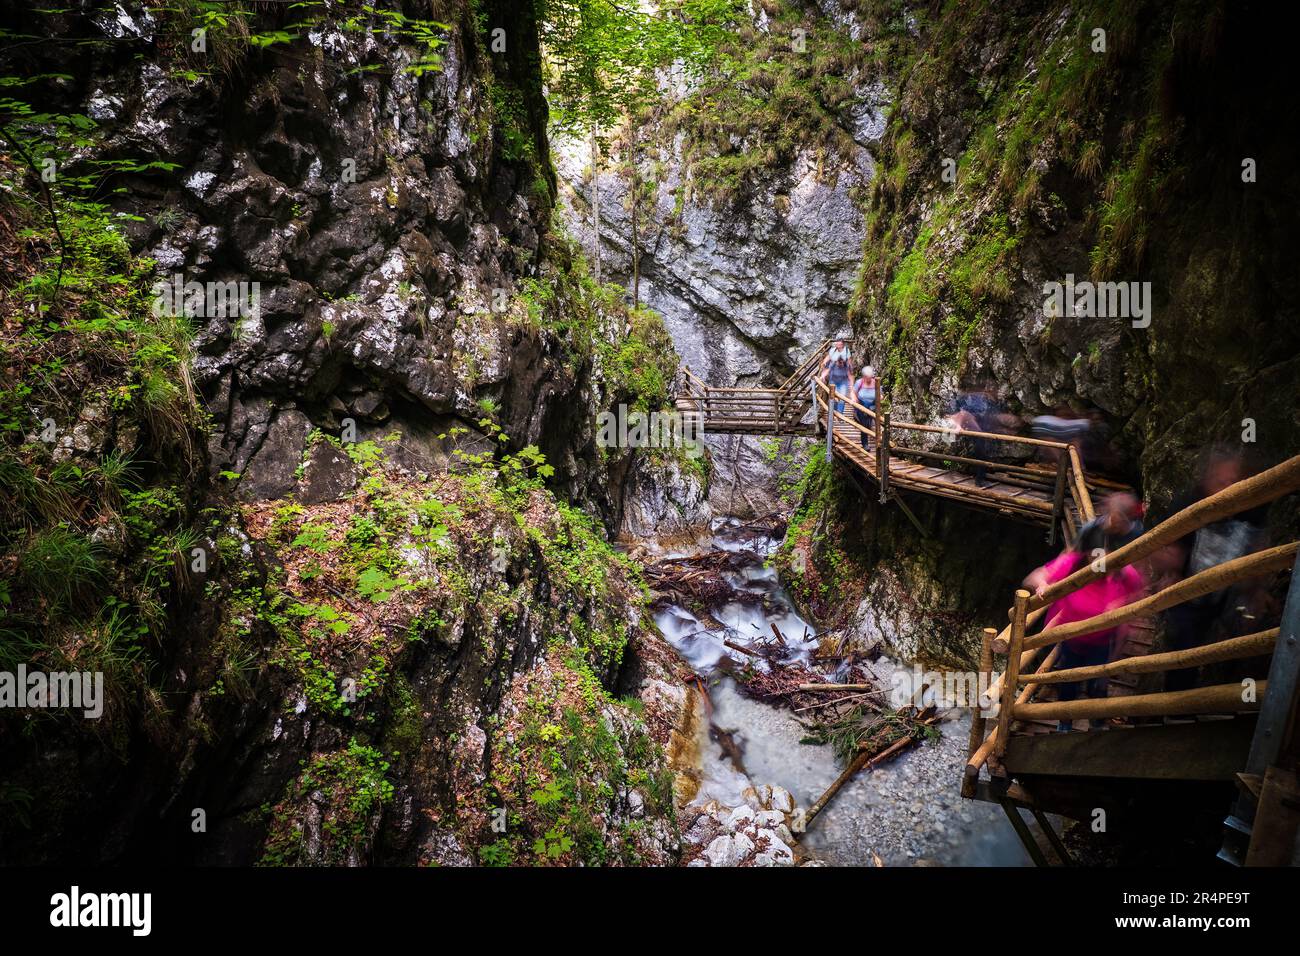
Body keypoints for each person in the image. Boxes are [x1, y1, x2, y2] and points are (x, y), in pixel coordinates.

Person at [1161, 448, 1269, 693]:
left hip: (1230, 592)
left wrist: (1256, 589)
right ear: (1208, 478)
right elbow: (1168, 546)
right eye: (1222, 481)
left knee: (1237, 645)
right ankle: (1173, 707)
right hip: (1189, 593)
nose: (1228, 487)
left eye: (1234, 481)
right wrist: (1170, 571)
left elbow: (1260, 543)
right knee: (1184, 648)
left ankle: (1222, 701)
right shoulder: (1188, 503)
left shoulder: (1252, 506)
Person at [1024, 537, 1146, 732]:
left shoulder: (1124, 572)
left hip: (1103, 640)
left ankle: (1096, 722)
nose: (1097, 559)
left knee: (1098, 683)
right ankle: (1064, 724)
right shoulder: (1072, 562)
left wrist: (1123, 603)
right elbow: (1035, 576)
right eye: (1093, 553)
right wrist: (1043, 584)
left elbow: (1139, 594)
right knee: (1068, 682)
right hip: (1072, 639)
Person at [1073, 491, 1145, 557]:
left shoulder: (1137, 535)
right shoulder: (1090, 530)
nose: (1120, 523)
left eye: (1125, 520)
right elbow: (1073, 556)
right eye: (1118, 517)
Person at [822, 340, 852, 414]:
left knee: (842, 398)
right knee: (834, 397)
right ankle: (834, 411)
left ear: (843, 345)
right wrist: (823, 375)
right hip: (833, 380)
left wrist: (851, 384)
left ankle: (840, 415)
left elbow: (850, 371)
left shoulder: (846, 352)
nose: (838, 346)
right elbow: (827, 367)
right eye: (837, 344)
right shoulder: (833, 359)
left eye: (840, 344)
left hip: (843, 382)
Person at [852, 365, 877, 450]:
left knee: (869, 424)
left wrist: (880, 397)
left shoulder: (876, 382)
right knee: (864, 424)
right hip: (861, 406)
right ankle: (865, 444)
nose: (869, 378)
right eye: (867, 377)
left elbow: (881, 394)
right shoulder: (859, 382)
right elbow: (853, 392)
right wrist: (854, 399)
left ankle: (876, 442)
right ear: (864, 376)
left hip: (873, 406)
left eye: (870, 377)